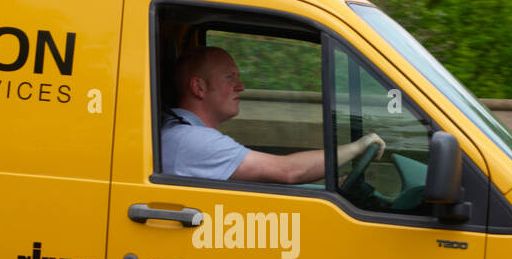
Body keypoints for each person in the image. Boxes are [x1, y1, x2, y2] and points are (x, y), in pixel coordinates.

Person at [161, 45, 385, 184]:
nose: (241, 87)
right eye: (230, 78)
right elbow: (287, 171)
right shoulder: (189, 140)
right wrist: (357, 147)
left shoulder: (184, 133)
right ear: (199, 87)